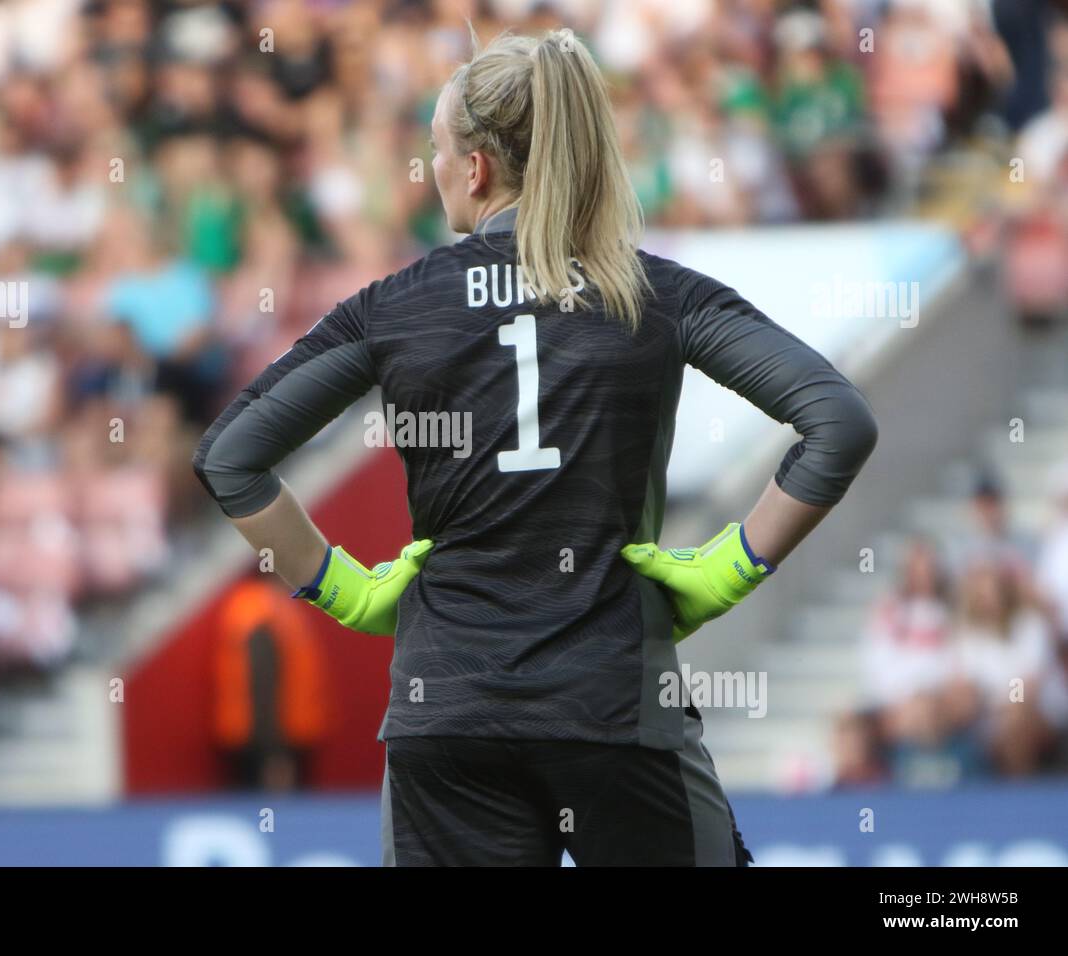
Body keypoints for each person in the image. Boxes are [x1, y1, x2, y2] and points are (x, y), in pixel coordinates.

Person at [193, 30, 878, 866]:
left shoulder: (394, 307)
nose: (434, 167)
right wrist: (729, 567)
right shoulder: (653, 290)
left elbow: (231, 457)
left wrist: (342, 590)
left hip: (444, 710)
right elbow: (838, 422)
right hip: (613, 702)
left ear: (476, 168)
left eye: (436, 151)